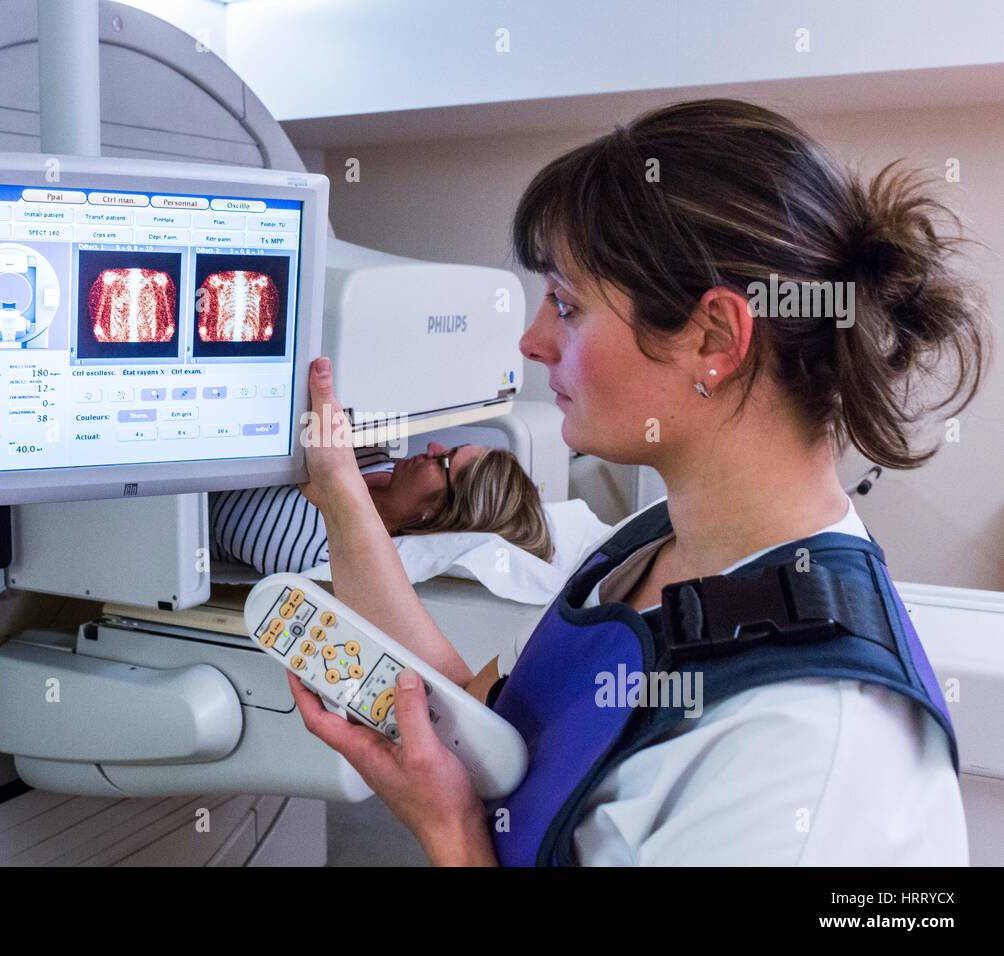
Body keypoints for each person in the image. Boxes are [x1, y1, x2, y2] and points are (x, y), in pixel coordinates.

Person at [287, 99, 988, 866]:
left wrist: (449, 833)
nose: (532, 340)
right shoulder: (643, 547)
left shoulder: (811, 750)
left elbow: (469, 803)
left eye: (567, 304)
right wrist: (343, 496)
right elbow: (480, 722)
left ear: (715, 340)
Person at [209, 443, 552, 575]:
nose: (433, 445)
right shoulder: (383, 461)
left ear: (437, 516)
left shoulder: (321, 551)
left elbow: (221, 509)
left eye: (443, 462)